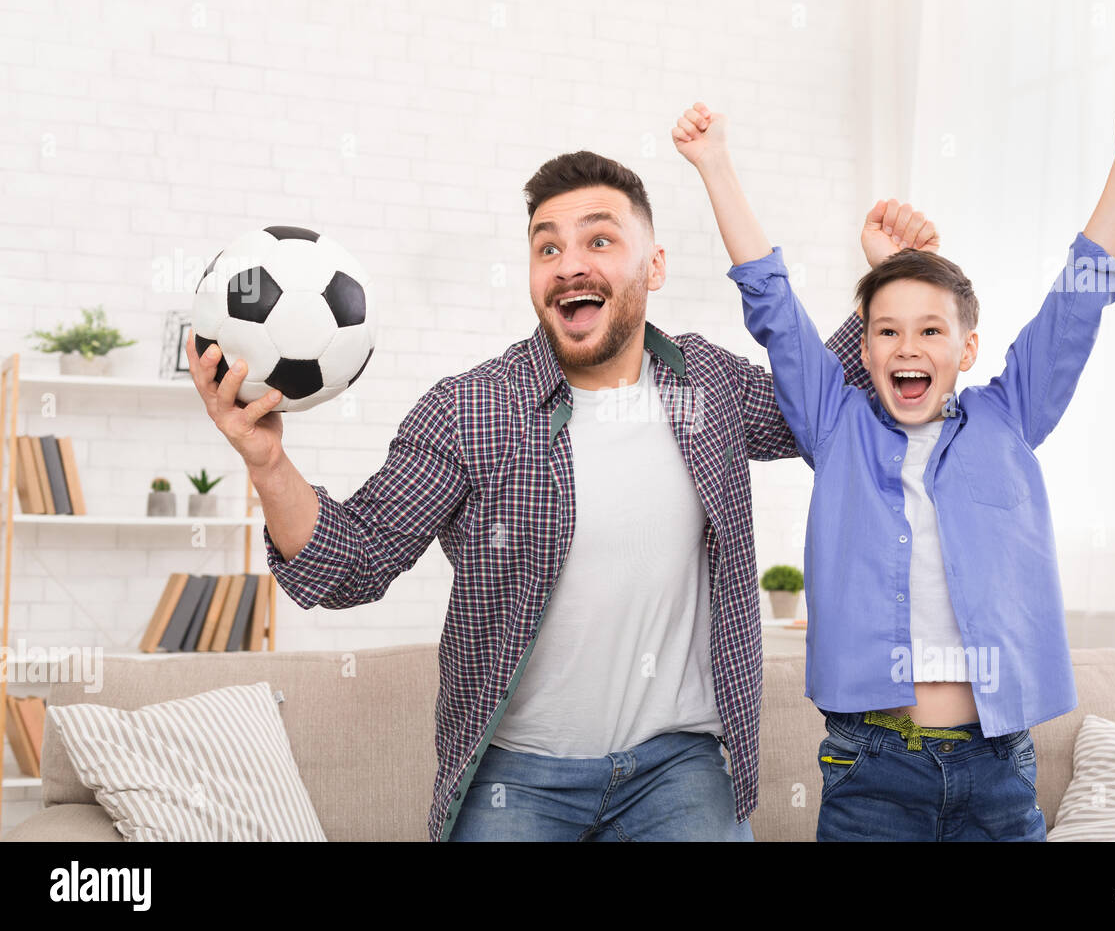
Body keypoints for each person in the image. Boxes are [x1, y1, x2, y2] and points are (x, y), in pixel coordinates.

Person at [185, 150, 929, 841]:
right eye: (548, 247)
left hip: (679, 768)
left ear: (654, 265)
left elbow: (818, 410)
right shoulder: (471, 410)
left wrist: (890, 286)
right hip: (518, 778)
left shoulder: (707, 384)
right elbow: (352, 564)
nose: (569, 264)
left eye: (599, 241)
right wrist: (268, 461)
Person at [673, 93, 1115, 840]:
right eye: (888, 331)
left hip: (998, 768)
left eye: (931, 330)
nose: (908, 347)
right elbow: (772, 304)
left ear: (965, 350)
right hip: (869, 768)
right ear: (865, 350)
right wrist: (714, 163)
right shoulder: (836, 426)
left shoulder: (1010, 417)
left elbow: (1077, 305)